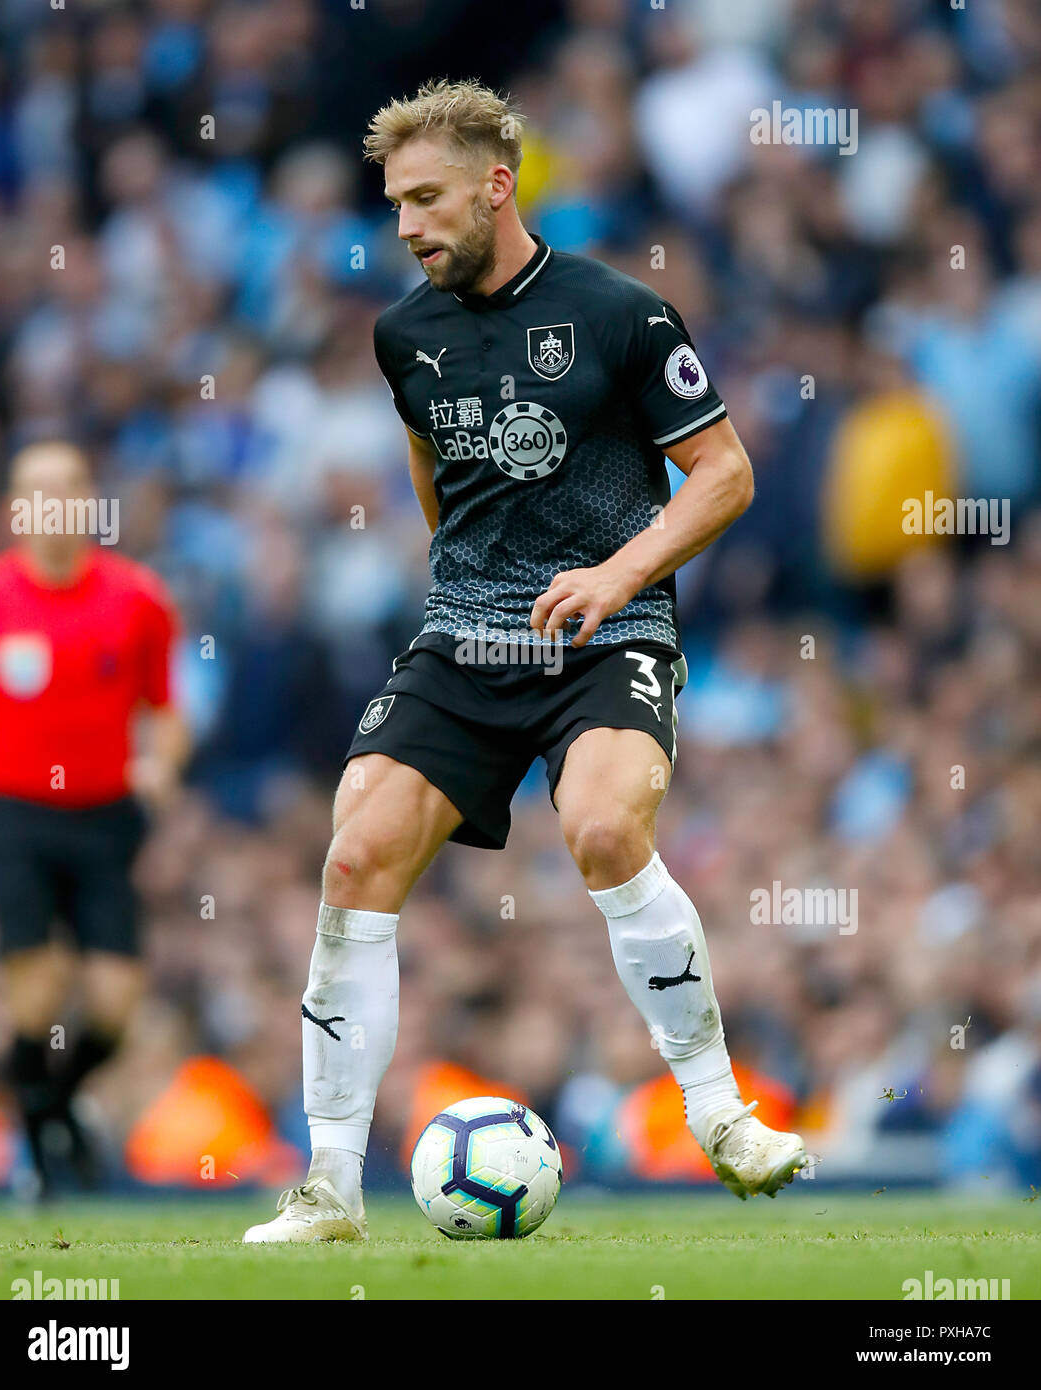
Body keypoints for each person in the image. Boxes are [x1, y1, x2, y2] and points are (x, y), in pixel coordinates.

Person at [245, 79, 810, 1243]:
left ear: (497, 186)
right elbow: (436, 488)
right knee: (353, 858)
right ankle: (331, 1187)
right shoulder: (403, 335)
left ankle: (720, 1117)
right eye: (396, 203)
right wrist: (470, 591)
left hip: (610, 631)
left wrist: (615, 577)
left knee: (605, 831)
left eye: (427, 198)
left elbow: (725, 474)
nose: (406, 226)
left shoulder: (621, 314)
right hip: (466, 636)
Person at [0, 442, 188, 1197]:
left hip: (105, 816)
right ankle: (49, 1156)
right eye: (38, 489)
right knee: (34, 996)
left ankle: (53, 1105)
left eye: (70, 486)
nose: (55, 501)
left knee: (114, 1004)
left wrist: (160, 763)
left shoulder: (137, 599)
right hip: (15, 813)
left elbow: (165, 712)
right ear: (15, 509)